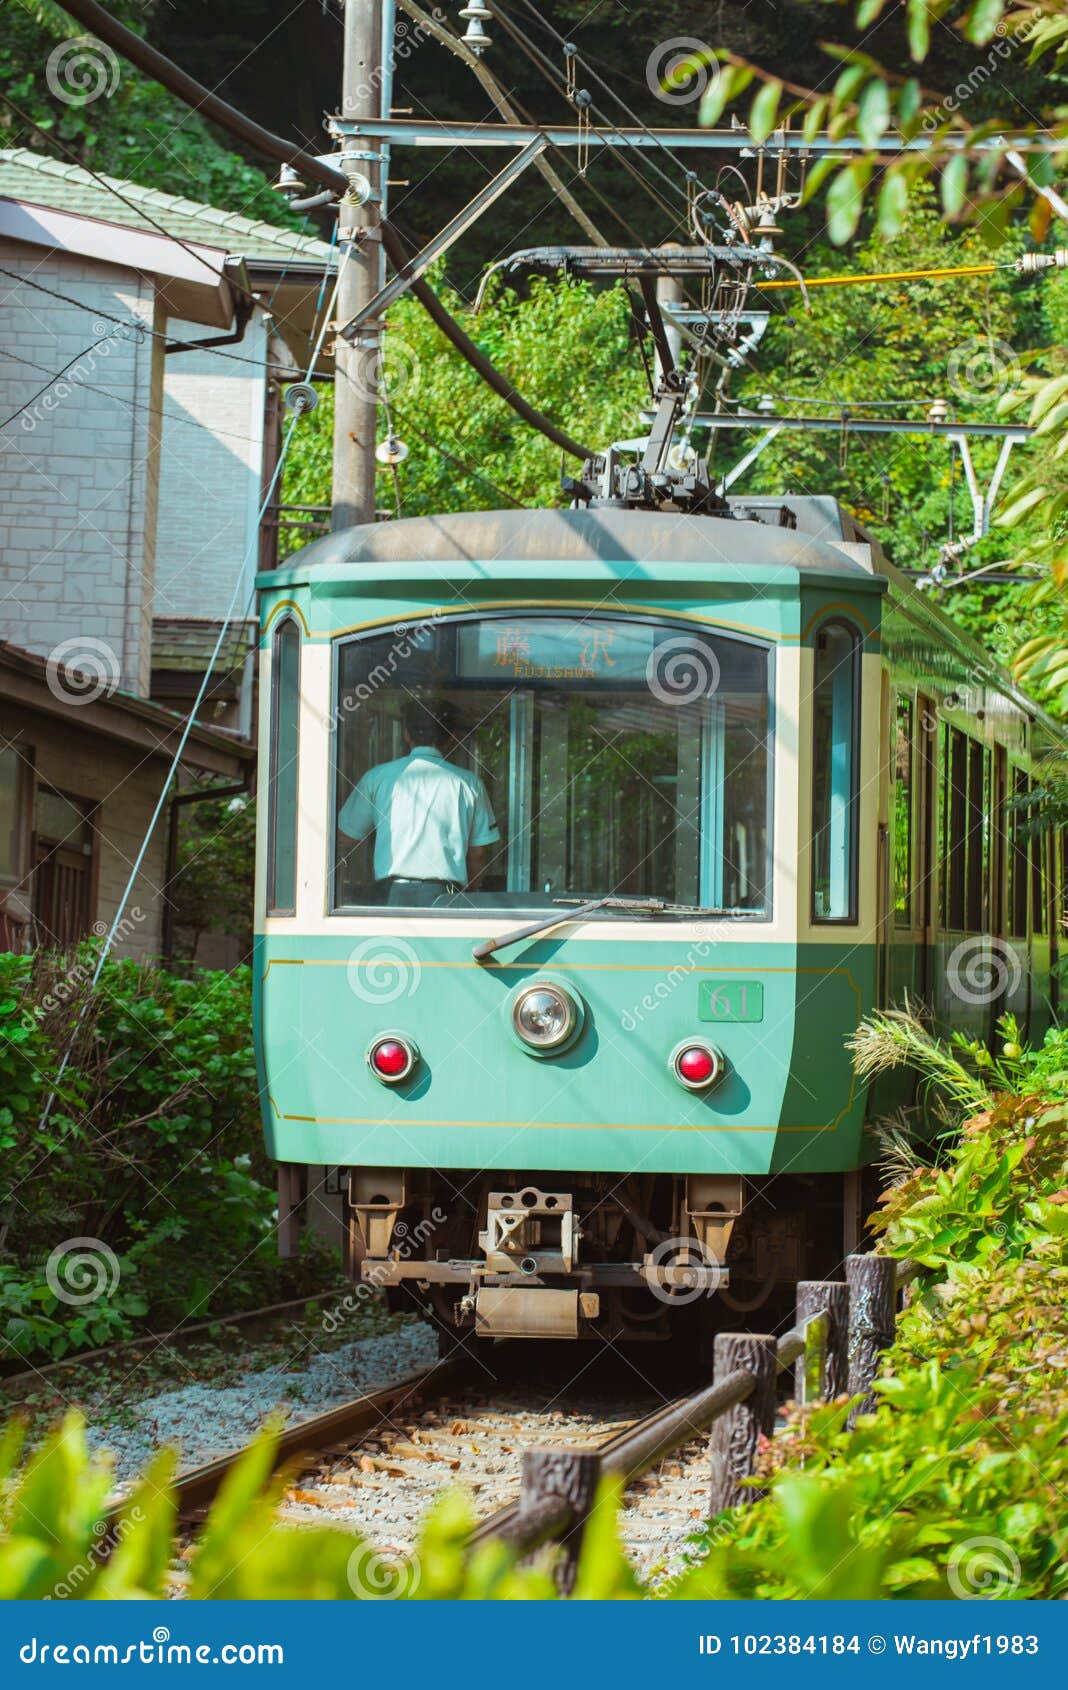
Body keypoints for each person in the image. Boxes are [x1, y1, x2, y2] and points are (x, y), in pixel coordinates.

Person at [338, 699, 501, 905]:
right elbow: (478, 854)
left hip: (390, 894)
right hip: (446, 895)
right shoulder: (469, 783)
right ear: (451, 737)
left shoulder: (377, 777)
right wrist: (470, 892)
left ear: (406, 733)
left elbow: (345, 837)